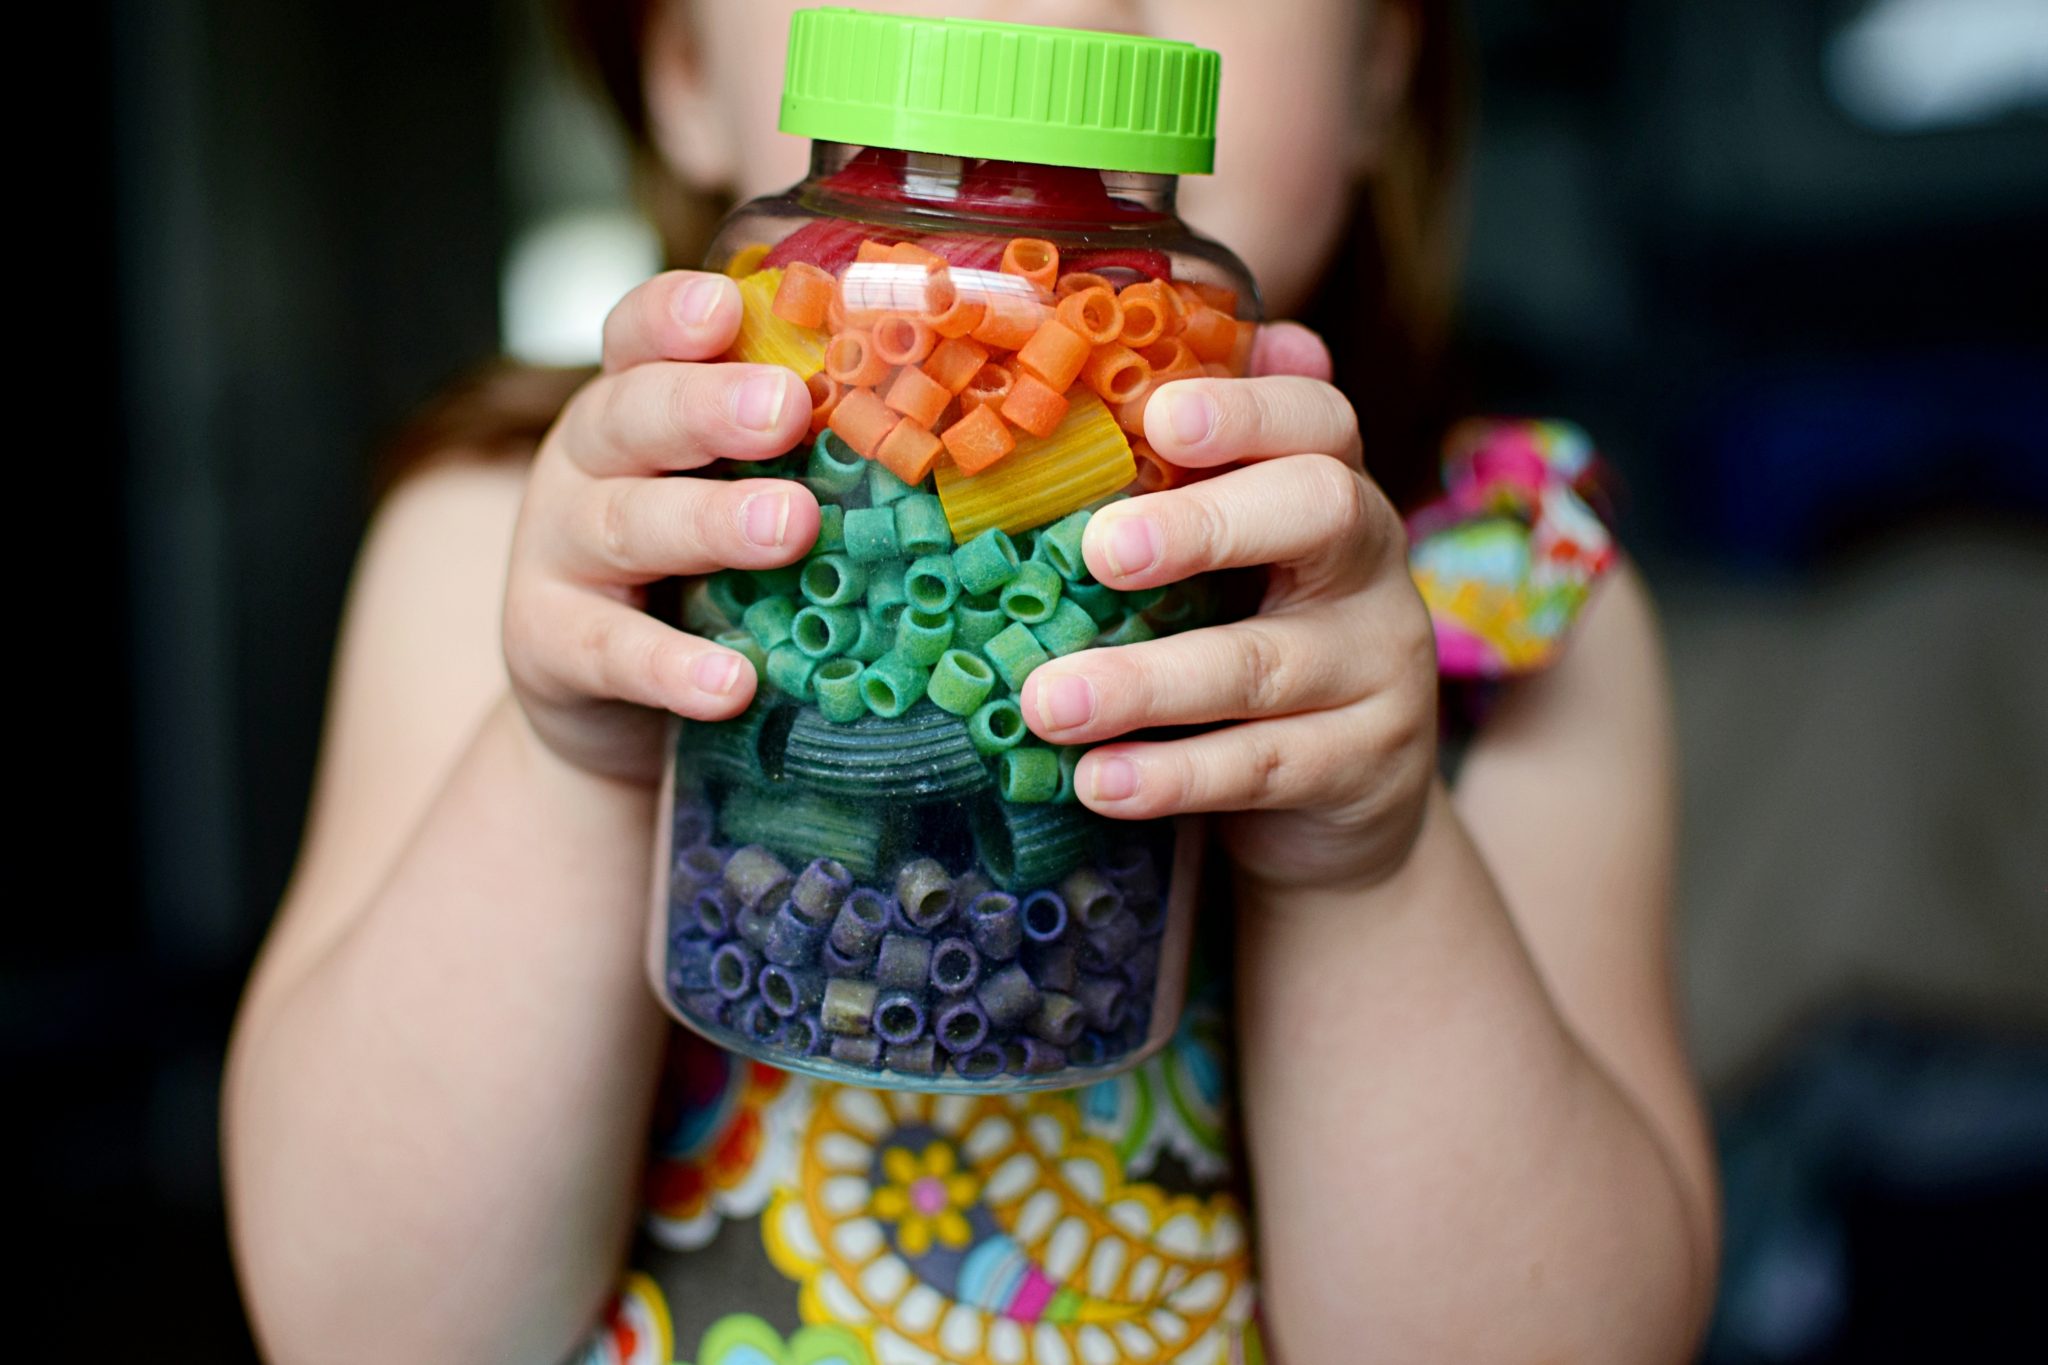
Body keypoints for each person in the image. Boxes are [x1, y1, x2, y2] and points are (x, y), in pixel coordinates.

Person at [223, 2, 1719, 1361]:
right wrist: (573, 754)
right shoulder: (502, 555)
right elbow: (365, 1325)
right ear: (679, 69)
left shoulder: (1509, 620)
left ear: (1384, 64)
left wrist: (1369, 862)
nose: (1051, 10)